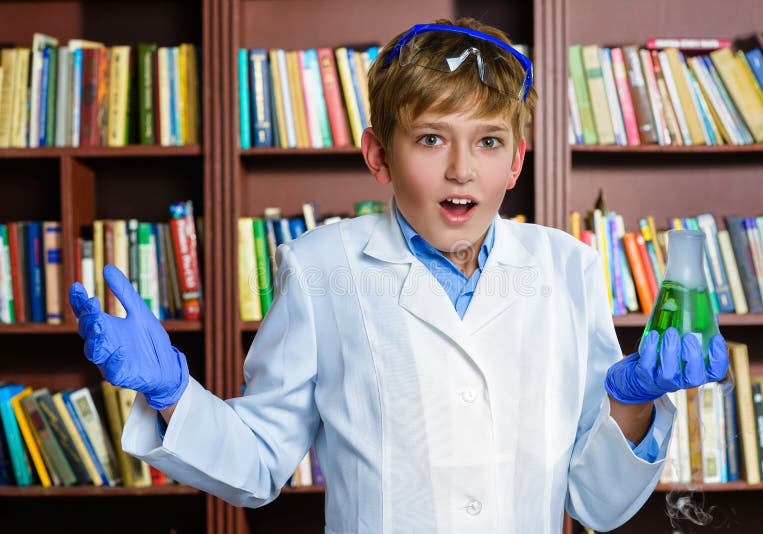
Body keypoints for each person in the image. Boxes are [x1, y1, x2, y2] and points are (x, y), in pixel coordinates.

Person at [69, 17, 728, 533]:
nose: (463, 170)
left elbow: (596, 502)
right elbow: (262, 460)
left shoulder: (569, 268)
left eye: (489, 141)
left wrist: (633, 400)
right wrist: (173, 395)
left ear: (518, 160)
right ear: (379, 155)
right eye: (432, 139)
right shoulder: (321, 268)